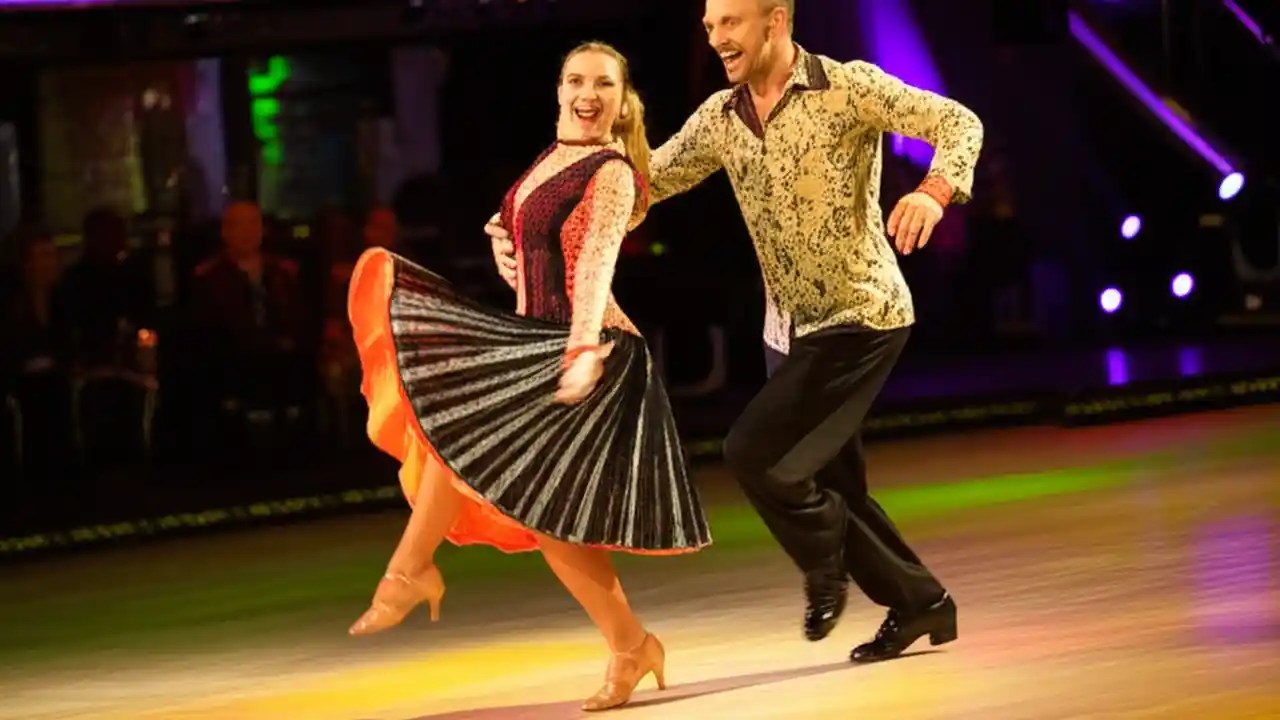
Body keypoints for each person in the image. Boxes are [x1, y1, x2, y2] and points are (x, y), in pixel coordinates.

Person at [487, 0, 983, 664]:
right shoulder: (723, 118)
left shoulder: (847, 86)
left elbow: (958, 122)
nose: (716, 38)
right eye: (710, 26)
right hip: (788, 330)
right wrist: (528, 226)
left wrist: (934, 191)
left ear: (774, 20)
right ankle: (921, 603)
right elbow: (640, 187)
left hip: (860, 316)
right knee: (836, 485)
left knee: (755, 452)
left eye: (730, 23)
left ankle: (824, 562)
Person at [346, 41, 711, 711]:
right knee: (532, 508)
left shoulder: (611, 170)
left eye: (604, 84)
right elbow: (527, 216)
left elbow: (596, 265)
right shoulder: (556, 153)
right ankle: (631, 646)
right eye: (576, 79)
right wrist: (500, 233)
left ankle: (408, 573)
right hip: (541, 338)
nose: (588, 93)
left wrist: (579, 353)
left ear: (621, 98)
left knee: (473, 456)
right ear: (559, 87)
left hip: (593, 349)